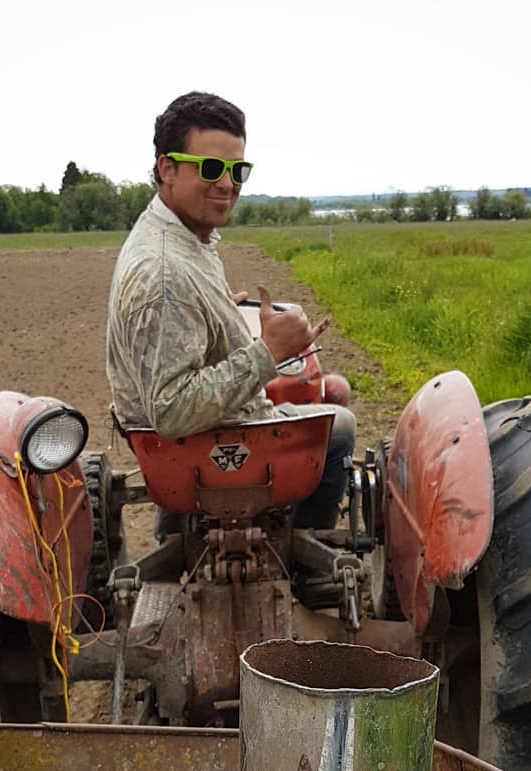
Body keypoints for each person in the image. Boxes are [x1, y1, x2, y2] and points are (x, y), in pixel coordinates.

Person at [105, 90, 356, 531]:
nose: (228, 183)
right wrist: (268, 352)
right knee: (342, 427)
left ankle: (176, 529)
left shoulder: (176, 238)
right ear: (167, 168)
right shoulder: (164, 273)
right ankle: (306, 554)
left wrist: (220, 308)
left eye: (237, 169)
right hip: (204, 442)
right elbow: (173, 411)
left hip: (174, 452)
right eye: (211, 168)